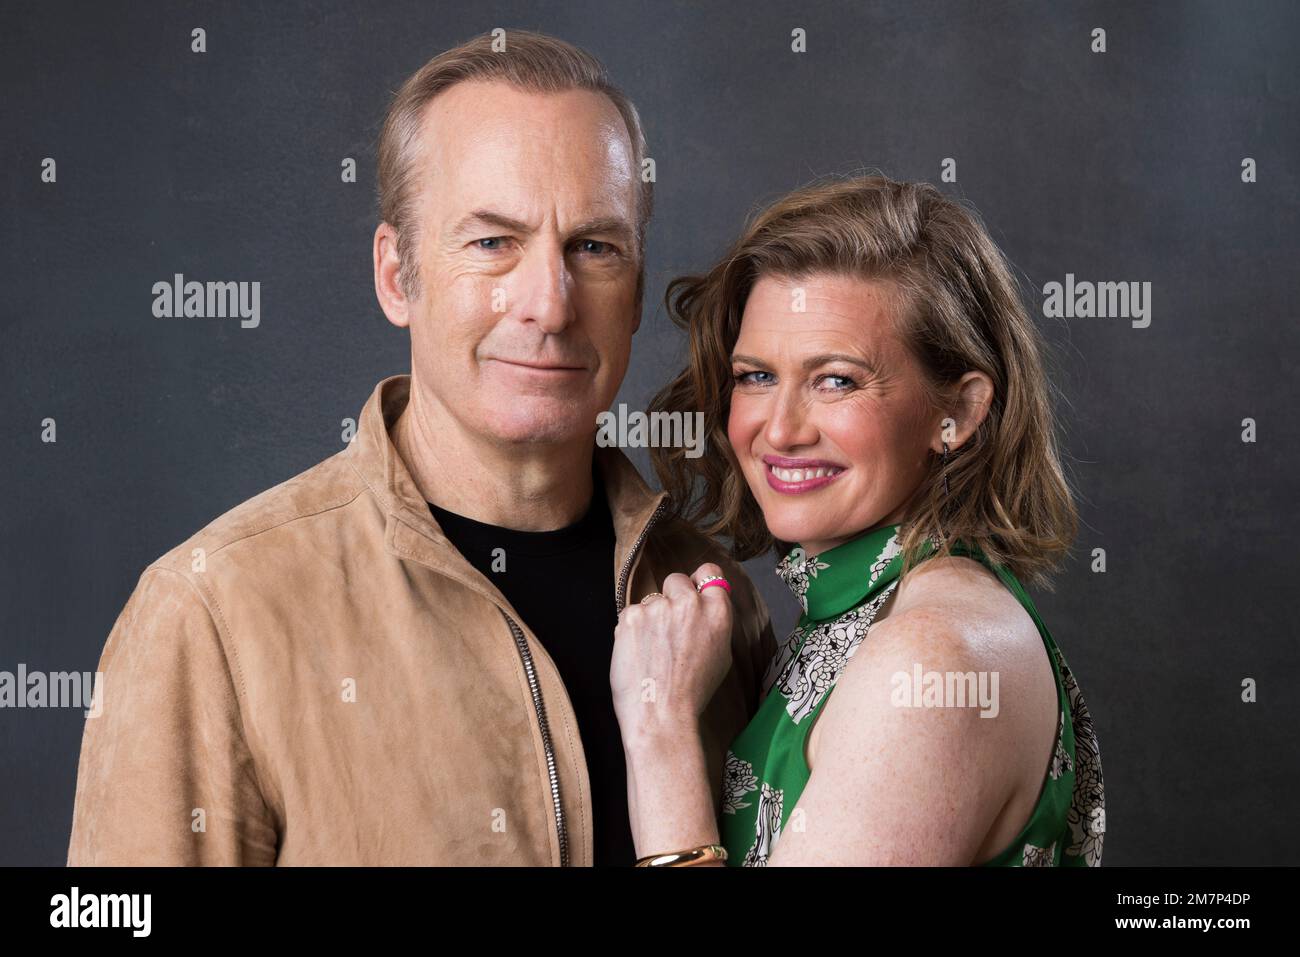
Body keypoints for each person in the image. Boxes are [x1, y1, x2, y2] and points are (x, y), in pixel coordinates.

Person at [66, 30, 776, 867]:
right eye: (491, 242)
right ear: (397, 276)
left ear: (633, 290)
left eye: (593, 246)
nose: (549, 304)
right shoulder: (213, 613)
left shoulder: (709, 600)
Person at [610, 174, 1106, 866]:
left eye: (836, 379)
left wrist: (659, 733)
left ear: (956, 413)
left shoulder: (931, 658)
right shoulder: (866, 610)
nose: (778, 429)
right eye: (756, 375)